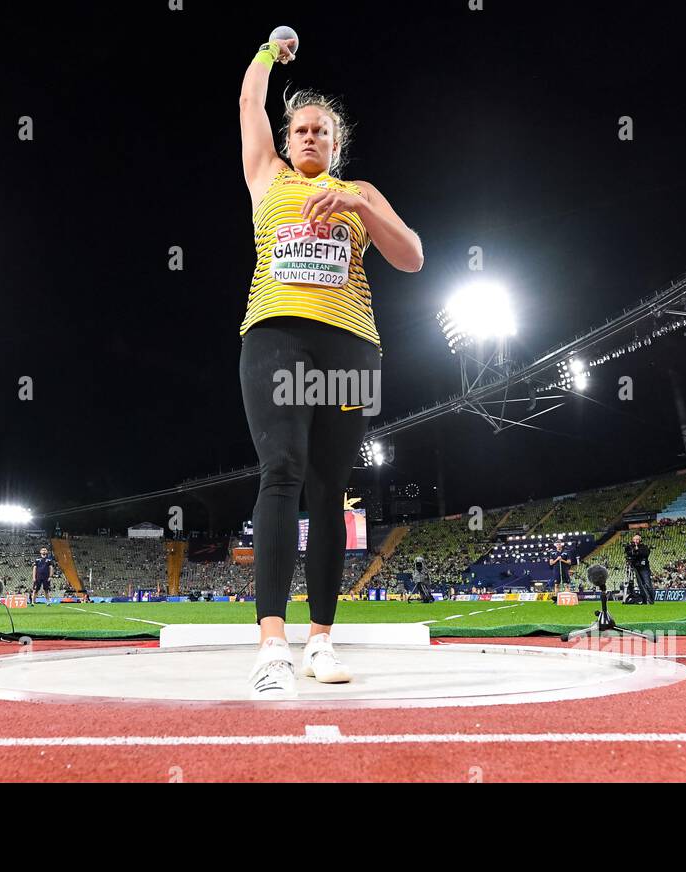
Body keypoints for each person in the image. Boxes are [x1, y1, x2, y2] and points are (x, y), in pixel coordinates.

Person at [238, 31, 423, 699]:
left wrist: (359, 204)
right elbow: (247, 105)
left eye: (323, 131)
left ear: (337, 146)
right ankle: (271, 646)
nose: (311, 136)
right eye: (302, 129)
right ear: (288, 142)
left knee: (329, 491)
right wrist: (266, 52)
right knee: (281, 469)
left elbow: (413, 257)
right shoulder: (268, 179)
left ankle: (320, 639)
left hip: (350, 345)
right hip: (276, 335)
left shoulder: (360, 193)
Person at [625, 534, 655, 604]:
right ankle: (644, 600)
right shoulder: (630, 547)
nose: (635, 541)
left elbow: (645, 554)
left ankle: (651, 600)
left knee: (647, 583)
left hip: (644, 568)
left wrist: (637, 550)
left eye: (637, 539)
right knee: (640, 584)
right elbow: (628, 553)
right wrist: (634, 551)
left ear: (640, 540)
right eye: (634, 539)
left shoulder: (644, 547)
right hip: (636, 567)